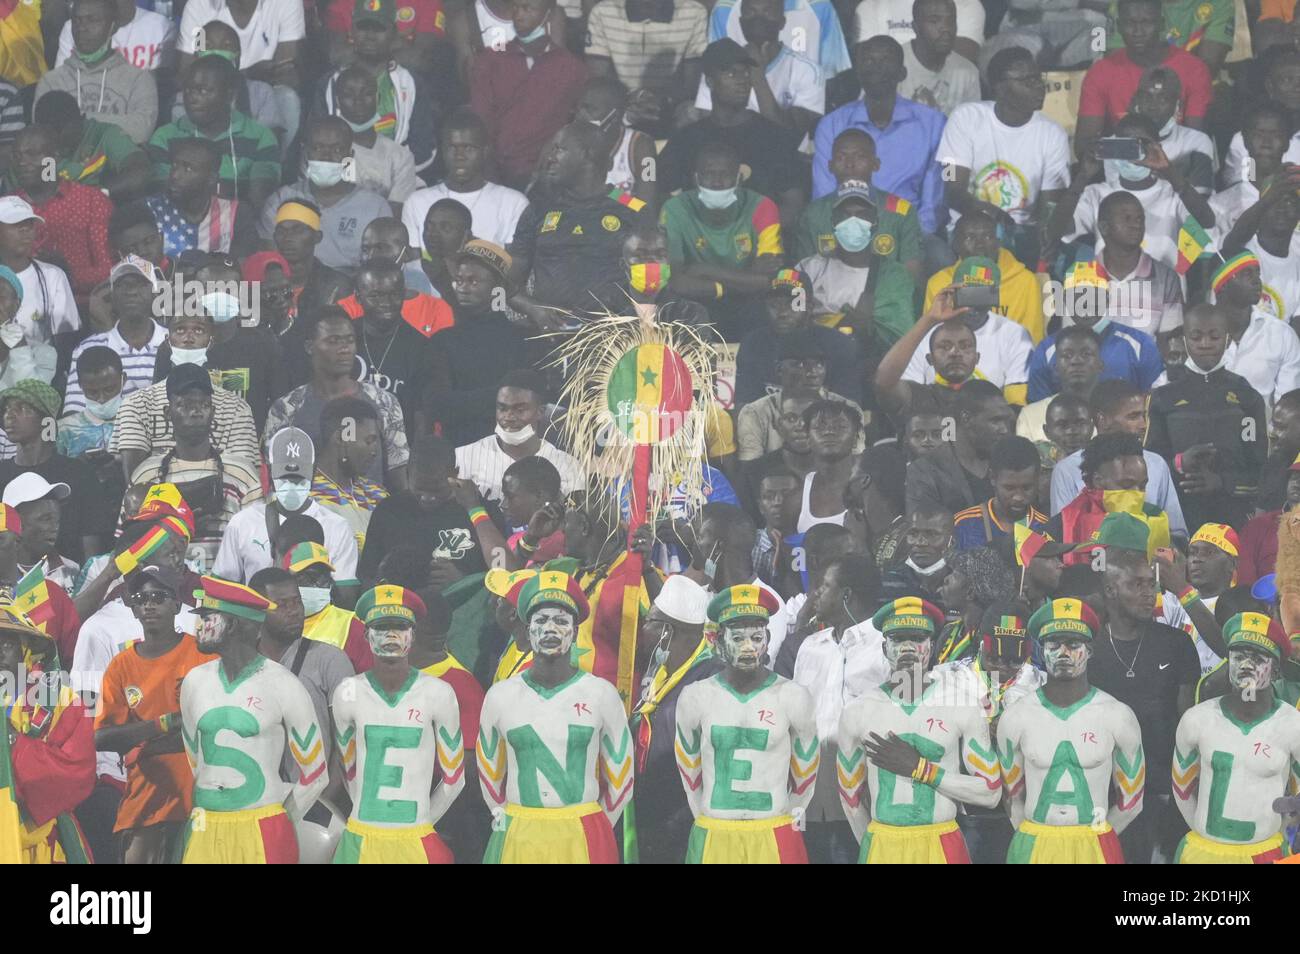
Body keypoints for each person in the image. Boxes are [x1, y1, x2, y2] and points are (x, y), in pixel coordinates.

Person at [476, 568, 632, 863]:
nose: (550, 629)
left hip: (581, 832)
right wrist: (508, 823)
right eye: (541, 620)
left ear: (574, 631)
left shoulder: (601, 694)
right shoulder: (500, 696)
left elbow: (622, 778)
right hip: (519, 831)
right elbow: (489, 776)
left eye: (561, 621)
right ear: (527, 627)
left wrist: (593, 828)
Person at [835, 596, 1000, 863]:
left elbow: (990, 792)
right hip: (883, 843)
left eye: (918, 638)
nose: (908, 648)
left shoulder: (962, 705)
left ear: (932, 646)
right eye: (898, 639)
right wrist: (873, 844)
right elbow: (850, 798)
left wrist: (921, 769)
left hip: (942, 843)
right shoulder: (858, 711)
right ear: (884, 647)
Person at [179, 576, 328, 863]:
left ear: (234, 625)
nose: (198, 627)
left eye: (208, 618)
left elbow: (316, 773)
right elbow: (194, 758)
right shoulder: (194, 682)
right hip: (205, 824)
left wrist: (283, 820)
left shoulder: (283, 684)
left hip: (262, 826)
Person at [674, 584, 818, 863]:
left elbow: (805, 779)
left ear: (768, 638)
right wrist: (711, 822)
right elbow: (689, 777)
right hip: (715, 831)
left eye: (756, 636)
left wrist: (784, 825)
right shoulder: (694, 696)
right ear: (717, 641)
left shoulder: (794, 696)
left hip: (774, 831)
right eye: (737, 638)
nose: (748, 647)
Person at [997, 598, 1145, 863]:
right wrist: (1033, 836)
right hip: (1034, 841)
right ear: (1041, 652)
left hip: (1095, 842)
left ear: (1090, 650)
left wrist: (1096, 838)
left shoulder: (1117, 715)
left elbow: (1132, 800)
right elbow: (1011, 796)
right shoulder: (1017, 715)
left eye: (1073, 644)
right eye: (1054, 645)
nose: (1063, 653)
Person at [330, 584, 465, 863]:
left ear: (413, 635)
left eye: (401, 627)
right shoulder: (347, 692)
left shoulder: (439, 693)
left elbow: (455, 778)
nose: (391, 635)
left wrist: (423, 821)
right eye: (382, 627)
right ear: (366, 635)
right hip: (361, 834)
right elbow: (348, 767)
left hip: (416, 836)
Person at [1090, 543, 1200, 863]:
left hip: (1166, 786)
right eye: (1136, 584)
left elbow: (1188, 722)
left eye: (1150, 584)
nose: (1147, 592)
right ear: (1110, 589)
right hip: (1106, 788)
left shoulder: (1176, 643)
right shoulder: (1089, 648)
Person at [94, 565, 211, 864]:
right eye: (140, 598)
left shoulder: (204, 654)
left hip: (199, 795)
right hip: (145, 797)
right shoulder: (121, 666)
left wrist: (143, 736)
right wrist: (163, 724)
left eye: (158, 597)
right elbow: (103, 737)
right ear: (133, 609)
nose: (148, 604)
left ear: (176, 604)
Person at [1173, 612, 1300, 863]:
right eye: (1239, 656)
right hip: (1202, 852)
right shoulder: (1196, 719)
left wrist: (1286, 842)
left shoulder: (1293, 725)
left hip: (1268, 852)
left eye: (1257, 658)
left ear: (1275, 671)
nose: (1246, 665)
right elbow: (1182, 790)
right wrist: (1206, 837)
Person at [791, 553, 887, 863]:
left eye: (824, 586)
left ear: (846, 595)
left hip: (864, 785)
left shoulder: (886, 645)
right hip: (810, 788)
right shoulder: (810, 646)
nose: (815, 593)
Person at [937, 47, 1069, 269]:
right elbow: (951, 188)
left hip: (1022, 232)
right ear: (999, 87)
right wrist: (989, 214)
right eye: (1027, 80)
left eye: (1038, 78)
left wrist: (1046, 237)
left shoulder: (1053, 134)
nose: (1038, 86)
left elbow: (1050, 207)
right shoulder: (964, 118)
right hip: (970, 229)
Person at [507, 123, 649, 328]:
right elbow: (507, 284)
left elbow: (655, 282)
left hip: (613, 340)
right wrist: (533, 309)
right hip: (550, 338)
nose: (550, 157)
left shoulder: (633, 208)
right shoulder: (538, 209)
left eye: (560, 149)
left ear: (586, 154)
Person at [933, 602, 1044, 864]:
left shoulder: (1043, 684)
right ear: (981, 644)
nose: (1004, 666)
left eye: (1015, 659)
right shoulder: (944, 679)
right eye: (995, 657)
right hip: (963, 810)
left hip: (1024, 810)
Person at [812, 36, 946, 247]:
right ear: (857, 72)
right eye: (868, 61)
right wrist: (848, 235)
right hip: (845, 230)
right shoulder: (832, 125)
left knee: (941, 258)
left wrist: (913, 236)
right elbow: (823, 193)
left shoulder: (932, 123)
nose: (877, 68)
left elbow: (935, 195)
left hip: (910, 231)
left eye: (886, 60)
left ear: (902, 73)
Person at [128, 364, 264, 567]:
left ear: (213, 411)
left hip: (225, 587)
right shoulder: (148, 474)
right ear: (167, 412)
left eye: (204, 404)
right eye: (185, 404)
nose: (195, 411)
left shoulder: (242, 472)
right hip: (165, 588)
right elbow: (130, 543)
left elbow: (257, 542)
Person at [1146, 305, 1268, 531]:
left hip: (1235, 518)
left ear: (1228, 339)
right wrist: (1179, 463)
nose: (1205, 344)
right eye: (1196, 337)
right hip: (1179, 519)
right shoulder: (1163, 398)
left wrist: (1222, 482)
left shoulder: (1246, 397)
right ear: (1184, 341)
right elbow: (1151, 467)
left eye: (1214, 336)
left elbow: (1259, 471)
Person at [658, 39, 805, 222]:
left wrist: (754, 234)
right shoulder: (687, 138)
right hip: (700, 243)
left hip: (759, 242)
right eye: (731, 74)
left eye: (745, 73)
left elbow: (794, 204)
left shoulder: (773, 137)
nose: (742, 81)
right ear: (710, 82)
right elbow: (653, 192)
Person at [1053, 113, 1217, 275]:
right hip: (1112, 296)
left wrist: (1169, 171)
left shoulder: (1175, 193)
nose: (1134, 154)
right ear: (1114, 147)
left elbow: (1207, 221)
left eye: (1141, 146)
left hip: (1164, 294)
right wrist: (1082, 177)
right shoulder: (1097, 194)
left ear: (1157, 146)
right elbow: (1057, 229)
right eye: (1127, 146)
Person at [265, 308, 410, 491]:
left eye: (350, 340)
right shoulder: (286, 409)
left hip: (373, 513)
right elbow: (278, 481)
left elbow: (398, 477)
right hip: (312, 513)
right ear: (310, 347)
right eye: (333, 341)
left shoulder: (384, 402)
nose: (345, 349)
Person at [0, 601, 96, 864]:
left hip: (40, 843)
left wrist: (10, 739)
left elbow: (76, 774)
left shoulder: (61, 700)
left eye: (6, 644)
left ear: (26, 650)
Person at [659, 140, 784, 339]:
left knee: (763, 310)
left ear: (739, 178)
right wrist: (742, 280)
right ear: (695, 179)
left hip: (748, 306)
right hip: (697, 303)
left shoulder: (763, 207)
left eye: (725, 174)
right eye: (709, 174)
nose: (717, 183)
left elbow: (768, 281)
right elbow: (675, 282)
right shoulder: (675, 209)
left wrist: (703, 271)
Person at [213, 426, 360, 583]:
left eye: (298, 479)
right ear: (270, 473)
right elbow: (223, 586)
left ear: (313, 473)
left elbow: (346, 595)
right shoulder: (243, 523)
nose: (291, 485)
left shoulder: (337, 527)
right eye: (285, 478)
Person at [468, 0, 586, 190]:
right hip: (497, 174)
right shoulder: (490, 60)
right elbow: (481, 122)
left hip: (550, 177)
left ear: (549, 13)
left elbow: (576, 125)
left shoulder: (571, 68)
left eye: (528, 8)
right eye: (515, 7)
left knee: (629, 203)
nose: (518, 15)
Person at [250, 565, 355, 780]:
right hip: (256, 796)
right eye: (282, 605)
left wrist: (327, 796)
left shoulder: (330, 659)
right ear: (256, 611)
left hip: (314, 797)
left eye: (297, 601)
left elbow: (349, 737)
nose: (295, 610)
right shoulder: (242, 662)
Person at [318, 0, 442, 175]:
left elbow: (422, 146)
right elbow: (318, 142)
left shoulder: (410, 82)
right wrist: (350, 177)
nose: (370, 35)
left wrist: (393, 175)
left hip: (401, 176)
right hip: (344, 177)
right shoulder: (330, 83)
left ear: (393, 34)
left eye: (379, 28)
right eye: (363, 27)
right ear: (352, 31)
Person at [1049, 383, 1188, 539]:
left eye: (1144, 416)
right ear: (1102, 419)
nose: (1143, 425)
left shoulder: (1156, 463)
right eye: (1133, 417)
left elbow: (1177, 532)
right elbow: (1063, 536)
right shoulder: (1067, 470)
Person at [1074, 0, 1213, 154]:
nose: (1138, 31)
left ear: (1161, 24)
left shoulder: (1194, 69)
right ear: (1119, 26)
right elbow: (1083, 146)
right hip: (1121, 168)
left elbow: (1196, 144)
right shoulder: (1100, 72)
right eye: (1130, 23)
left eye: (1146, 23)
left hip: (1179, 169)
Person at [426, 240, 529, 446]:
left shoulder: (520, 339)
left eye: (473, 281)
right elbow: (437, 405)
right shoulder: (443, 340)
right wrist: (497, 397)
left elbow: (522, 404)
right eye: (459, 280)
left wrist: (462, 402)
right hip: (458, 452)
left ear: (497, 287)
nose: (463, 288)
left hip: (509, 450)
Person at [257, 117, 393, 271]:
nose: (326, 156)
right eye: (318, 148)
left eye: (336, 149)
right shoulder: (280, 201)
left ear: (350, 156)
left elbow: (380, 269)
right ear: (306, 153)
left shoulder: (375, 208)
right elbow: (269, 263)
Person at [148, 55, 281, 209]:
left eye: (203, 91)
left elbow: (259, 199)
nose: (192, 98)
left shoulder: (261, 137)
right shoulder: (165, 137)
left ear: (229, 95)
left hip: (238, 225)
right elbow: (164, 197)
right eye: (188, 90)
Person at [795, 181, 917, 345]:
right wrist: (843, 320)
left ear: (875, 223)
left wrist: (866, 327)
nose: (853, 220)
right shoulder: (808, 269)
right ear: (833, 222)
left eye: (862, 214)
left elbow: (900, 337)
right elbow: (791, 321)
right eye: (845, 214)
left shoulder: (893, 275)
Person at [792, 129, 922, 281]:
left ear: (876, 164)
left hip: (887, 296)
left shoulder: (901, 211)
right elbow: (804, 275)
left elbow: (912, 273)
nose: (849, 164)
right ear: (830, 166)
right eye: (841, 157)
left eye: (860, 157)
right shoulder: (812, 213)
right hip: (828, 298)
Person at [0, 389, 113, 565]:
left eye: (23, 409)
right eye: (7, 409)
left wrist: (85, 583)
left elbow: (91, 539)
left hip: (67, 579)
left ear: (47, 421)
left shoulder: (77, 473)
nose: (10, 416)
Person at [901, 258, 1034, 405]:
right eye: (967, 296)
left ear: (996, 297)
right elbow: (910, 398)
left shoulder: (1014, 334)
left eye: (982, 297)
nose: (973, 307)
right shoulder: (925, 335)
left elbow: (1016, 402)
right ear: (953, 293)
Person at [337, 259, 452, 423]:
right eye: (375, 296)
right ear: (358, 297)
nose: (386, 303)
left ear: (404, 293)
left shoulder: (421, 348)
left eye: (394, 294)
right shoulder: (342, 339)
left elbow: (422, 415)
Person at [9, 126, 115, 301]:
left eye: (33, 154)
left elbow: (109, 270)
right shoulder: (7, 207)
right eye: (17, 155)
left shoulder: (91, 200)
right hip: (19, 308)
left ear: (55, 157)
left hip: (81, 307)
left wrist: (66, 273)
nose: (22, 162)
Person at [358, 436, 486, 582]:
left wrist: (462, 582)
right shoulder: (388, 510)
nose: (427, 497)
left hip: (462, 602)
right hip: (398, 602)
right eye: (419, 489)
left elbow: (497, 577)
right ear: (407, 473)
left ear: (454, 473)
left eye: (436, 489)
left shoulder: (477, 510)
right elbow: (367, 575)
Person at [1028, 270, 1167, 403]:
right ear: (1065, 301)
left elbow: (1154, 403)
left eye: (1095, 296)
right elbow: (1039, 409)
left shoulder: (1141, 345)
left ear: (1107, 299)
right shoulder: (1047, 350)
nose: (1085, 304)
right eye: (1076, 296)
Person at [400, 109, 530, 249]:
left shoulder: (513, 203)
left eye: (468, 148)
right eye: (452, 148)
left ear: (485, 151)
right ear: (442, 151)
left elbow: (513, 264)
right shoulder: (416, 202)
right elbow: (413, 265)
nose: (459, 156)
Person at [34, 0, 159, 146]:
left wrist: (78, 121)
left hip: (118, 164)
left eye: (92, 20)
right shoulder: (52, 82)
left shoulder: (139, 79)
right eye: (77, 20)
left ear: (113, 27)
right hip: (65, 166)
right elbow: (44, 135)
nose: (82, 28)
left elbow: (141, 131)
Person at [735, 270, 862, 406]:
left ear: (810, 307)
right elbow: (743, 409)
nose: (782, 312)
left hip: (823, 425)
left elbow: (849, 411)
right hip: (768, 424)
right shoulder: (753, 344)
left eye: (793, 303)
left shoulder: (838, 345)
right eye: (774, 304)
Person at [454, 371, 584, 503]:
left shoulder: (568, 466)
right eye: (502, 408)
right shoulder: (464, 457)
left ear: (540, 412)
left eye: (520, 410)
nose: (508, 417)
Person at [1078, 191, 1185, 342]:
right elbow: (1074, 339)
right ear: (1104, 227)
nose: (1137, 225)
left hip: (1149, 365)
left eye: (1140, 219)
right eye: (1127, 219)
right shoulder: (1082, 276)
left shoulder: (1165, 277)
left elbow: (1169, 340)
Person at [923, 211, 1044, 344]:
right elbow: (932, 340)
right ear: (955, 244)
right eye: (970, 238)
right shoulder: (939, 283)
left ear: (998, 243)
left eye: (987, 237)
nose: (980, 245)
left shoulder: (1025, 281)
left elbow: (1031, 340)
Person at [586, 0, 707, 127]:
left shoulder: (694, 12)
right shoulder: (603, 12)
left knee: (691, 112)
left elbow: (693, 82)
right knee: (595, 106)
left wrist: (662, 100)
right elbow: (598, 78)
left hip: (670, 103)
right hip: (620, 102)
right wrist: (632, 100)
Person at [905, 380, 1017, 517]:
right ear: (966, 418)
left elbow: (1030, 522)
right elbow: (924, 531)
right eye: (995, 421)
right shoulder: (925, 471)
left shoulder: (1009, 462)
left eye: (1007, 421)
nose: (1005, 429)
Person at [1211, 252, 1300, 410]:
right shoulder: (1197, 334)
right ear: (1223, 284)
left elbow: (1287, 406)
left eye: (1257, 273)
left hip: (1262, 431)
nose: (1257, 281)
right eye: (1247, 274)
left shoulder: (1281, 335)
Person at [144, 138, 258, 260]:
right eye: (174, 165)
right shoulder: (149, 209)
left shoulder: (236, 214)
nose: (175, 175)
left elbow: (244, 265)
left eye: (188, 169)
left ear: (211, 179)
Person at [32, 92, 152, 199]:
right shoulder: (33, 145)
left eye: (60, 129)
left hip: (100, 211)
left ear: (81, 119)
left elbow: (139, 172)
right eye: (48, 133)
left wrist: (95, 196)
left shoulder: (105, 135)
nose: (56, 138)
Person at [1117, 67, 1216, 196]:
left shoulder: (1196, 141)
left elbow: (1202, 197)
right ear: (1136, 101)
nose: (1153, 106)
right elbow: (1114, 191)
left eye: (1162, 98)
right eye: (1147, 97)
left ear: (1177, 104)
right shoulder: (1117, 140)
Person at [328, 66, 420, 205]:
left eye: (367, 94)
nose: (358, 101)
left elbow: (396, 212)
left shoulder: (400, 157)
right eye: (348, 95)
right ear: (338, 101)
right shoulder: (326, 152)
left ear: (378, 98)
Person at [280, 541, 373, 674]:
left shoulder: (350, 626)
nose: (315, 585)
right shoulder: (272, 624)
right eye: (304, 578)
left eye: (321, 578)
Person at [0, 196, 82, 348]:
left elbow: (66, 339)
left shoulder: (52, 276)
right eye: (16, 224)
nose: (25, 230)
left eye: (29, 224)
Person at [710, 0, 852, 81]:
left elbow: (831, 77)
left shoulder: (819, 6)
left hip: (802, 115)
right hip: (741, 115)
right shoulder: (724, 10)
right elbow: (715, 79)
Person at [952, 437, 1048, 551]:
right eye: (1009, 488)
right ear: (992, 478)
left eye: (1026, 488)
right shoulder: (963, 524)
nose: (1018, 497)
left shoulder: (1045, 528)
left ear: (1038, 479)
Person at [1017, 327, 1101, 444]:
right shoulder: (1031, 415)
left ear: (1100, 364)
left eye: (1086, 354)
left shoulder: (1115, 411)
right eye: (1067, 355)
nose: (1076, 361)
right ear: (1055, 366)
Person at [935, 546, 1018, 663]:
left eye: (954, 574)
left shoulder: (996, 640)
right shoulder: (948, 631)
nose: (946, 580)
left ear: (970, 592)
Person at [797, 400, 859, 533]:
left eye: (840, 426)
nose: (829, 431)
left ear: (855, 439)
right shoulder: (796, 498)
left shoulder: (872, 490)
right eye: (820, 427)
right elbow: (789, 550)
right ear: (808, 438)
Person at [57, 346, 122, 458]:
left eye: (109, 390)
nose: (101, 399)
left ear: (123, 380)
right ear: (80, 385)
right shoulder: (63, 429)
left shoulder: (141, 423)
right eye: (92, 392)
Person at [879, 504, 953, 603]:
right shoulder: (889, 582)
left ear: (951, 541)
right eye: (913, 534)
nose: (920, 542)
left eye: (931, 534)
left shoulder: (964, 584)